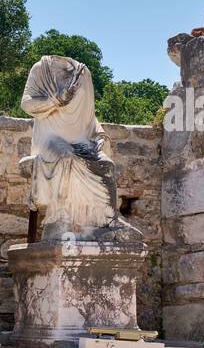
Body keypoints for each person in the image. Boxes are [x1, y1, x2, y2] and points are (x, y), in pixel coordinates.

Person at [19, 55, 139, 242]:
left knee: (105, 164)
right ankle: (60, 220)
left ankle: (106, 222)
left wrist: (99, 136)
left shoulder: (83, 74)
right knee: (67, 158)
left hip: (80, 139)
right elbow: (26, 104)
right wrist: (55, 100)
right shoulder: (41, 69)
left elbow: (89, 117)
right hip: (51, 138)